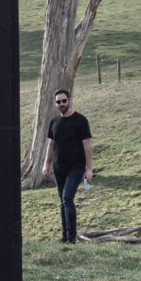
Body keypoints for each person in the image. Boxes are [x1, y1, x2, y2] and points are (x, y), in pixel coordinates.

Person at [40, 88, 93, 244]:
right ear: (55, 104)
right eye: (58, 102)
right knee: (63, 201)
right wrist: (46, 164)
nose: (61, 104)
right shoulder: (54, 122)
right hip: (58, 168)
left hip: (76, 168)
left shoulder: (80, 120)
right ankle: (65, 237)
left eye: (64, 101)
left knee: (67, 197)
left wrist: (89, 169)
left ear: (69, 100)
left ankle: (71, 237)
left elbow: (87, 146)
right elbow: (50, 145)